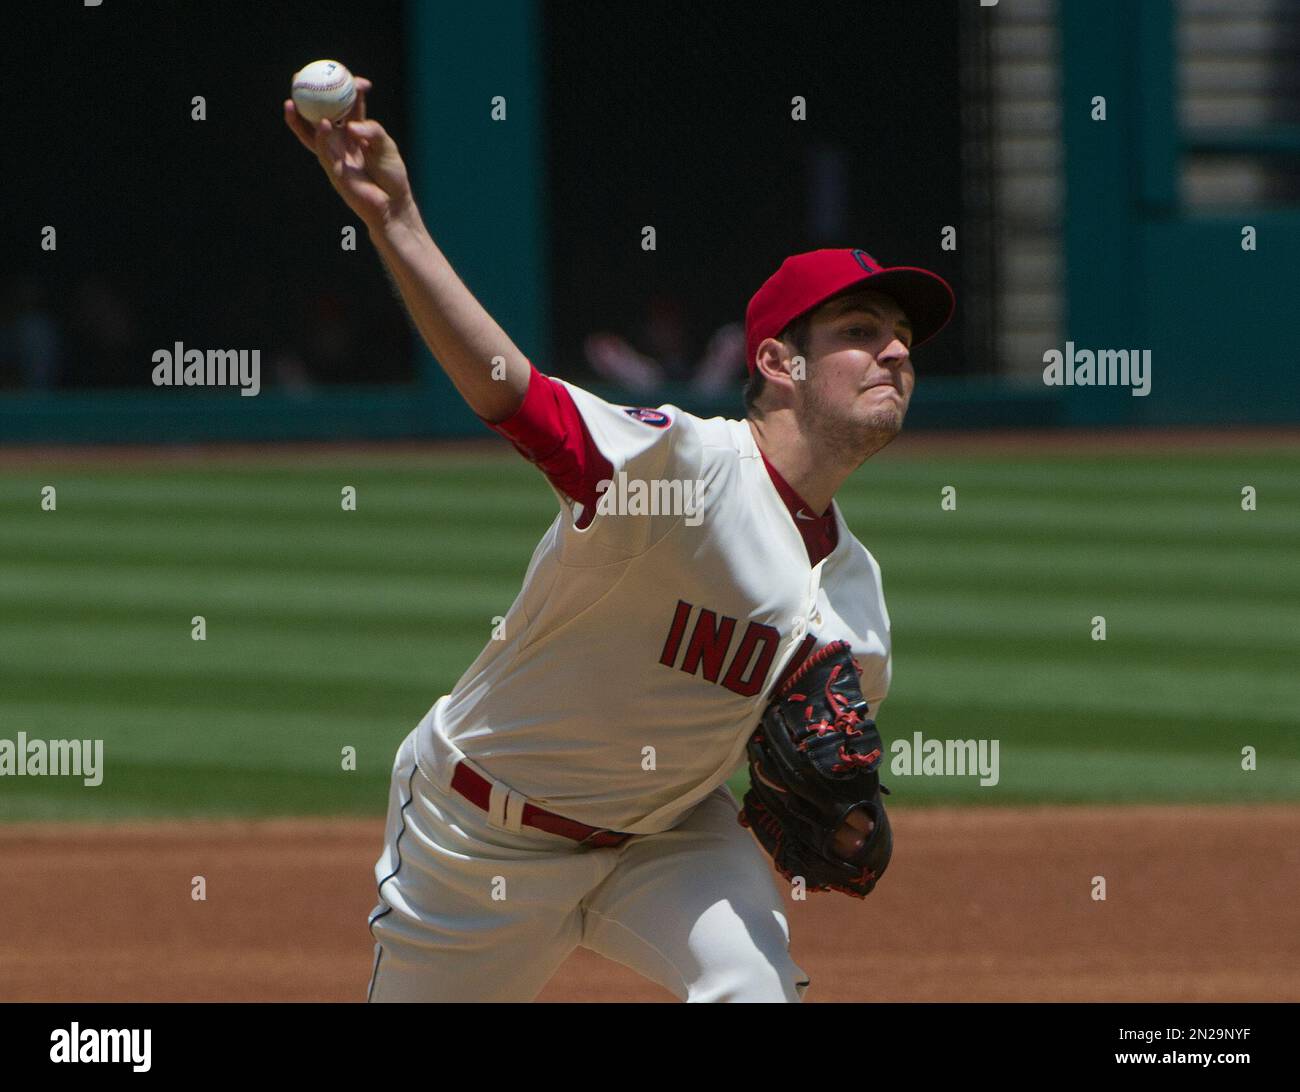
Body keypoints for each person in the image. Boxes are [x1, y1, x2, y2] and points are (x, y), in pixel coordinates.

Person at [284, 76, 954, 1003]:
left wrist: (832, 824)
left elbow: (796, 769)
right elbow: (515, 398)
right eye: (861, 330)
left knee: (757, 996)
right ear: (777, 362)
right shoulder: (684, 468)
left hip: (672, 839)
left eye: (904, 338)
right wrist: (398, 222)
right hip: (479, 838)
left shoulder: (857, 604)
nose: (896, 351)